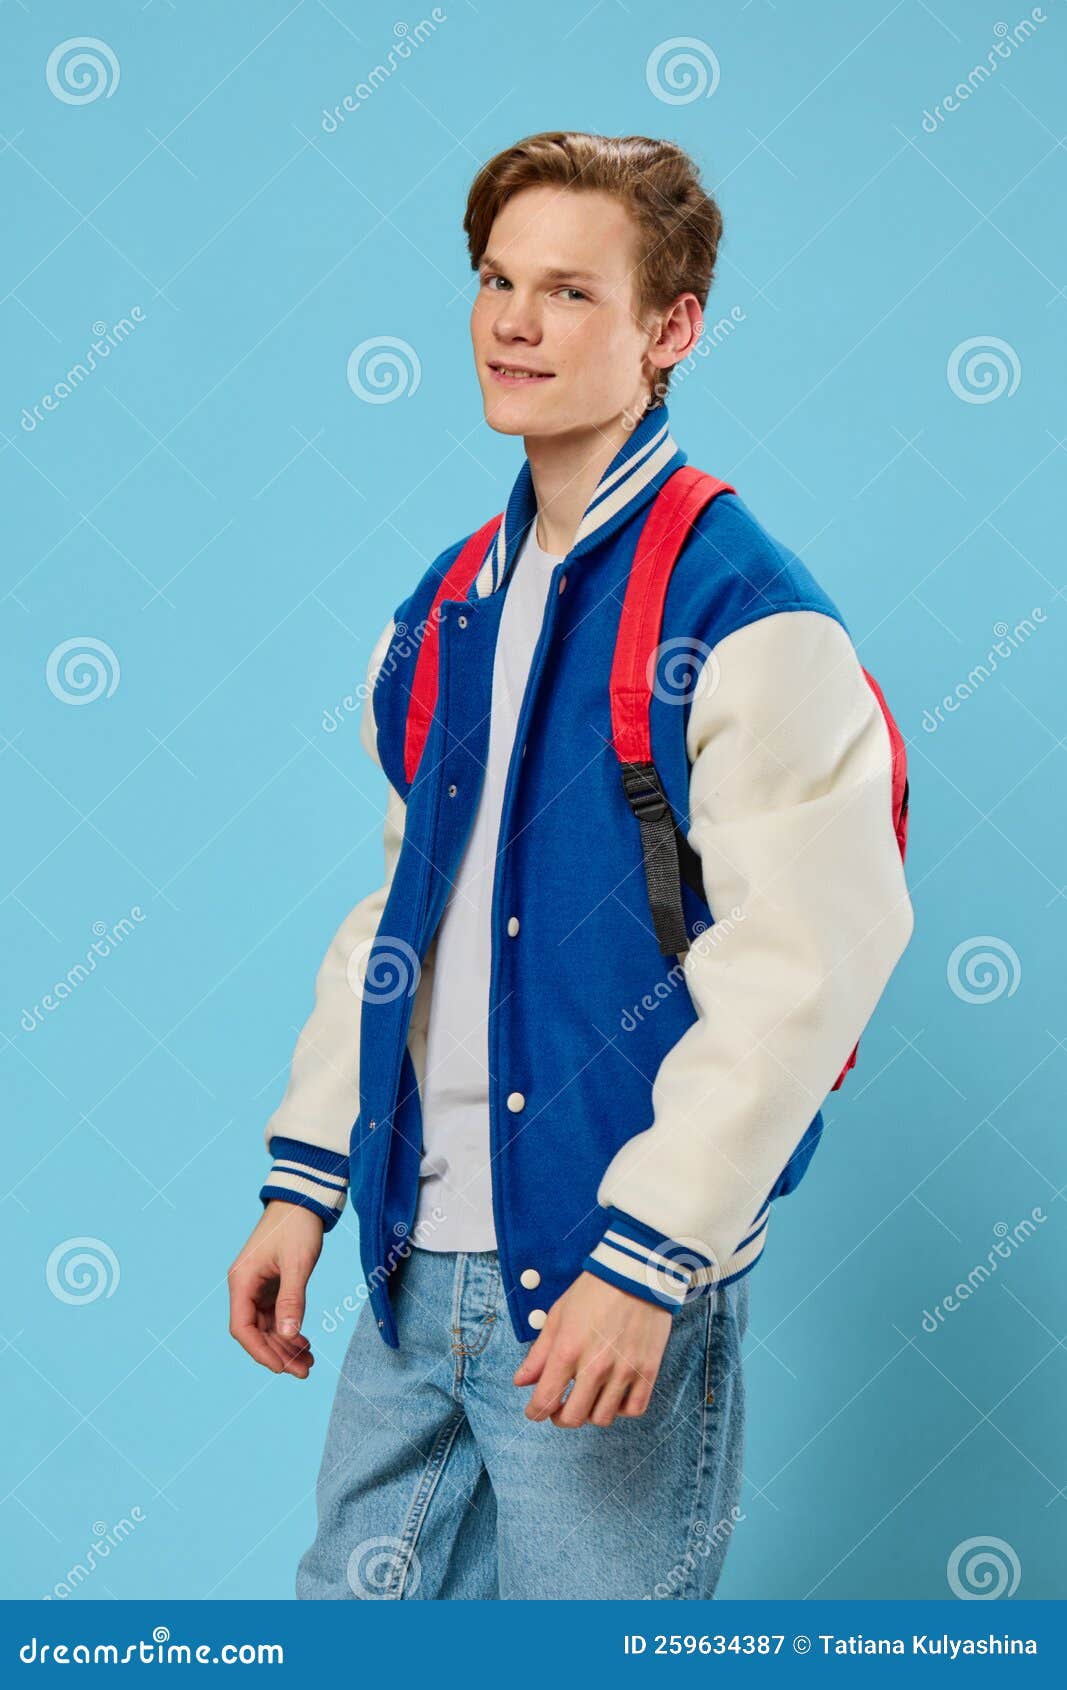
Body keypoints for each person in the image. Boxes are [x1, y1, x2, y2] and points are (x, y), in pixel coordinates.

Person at [228, 131, 914, 1601]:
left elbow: (810, 955)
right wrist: (309, 1175)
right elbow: (407, 911)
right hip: (414, 1274)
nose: (514, 323)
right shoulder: (450, 607)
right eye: (494, 279)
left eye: (569, 291)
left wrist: (652, 1249)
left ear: (672, 329)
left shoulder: (745, 613)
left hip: (600, 1279)